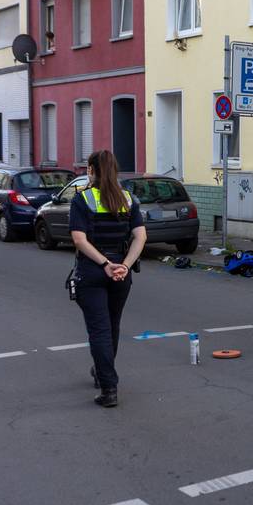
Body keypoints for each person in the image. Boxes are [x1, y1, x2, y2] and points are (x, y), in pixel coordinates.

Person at [70, 150, 146, 407]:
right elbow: (141, 237)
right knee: (111, 327)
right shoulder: (128, 199)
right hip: (120, 274)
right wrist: (124, 265)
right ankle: (102, 371)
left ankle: (108, 388)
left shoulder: (83, 199)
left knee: (99, 330)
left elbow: (79, 240)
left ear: (91, 170)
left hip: (93, 271)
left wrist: (104, 264)